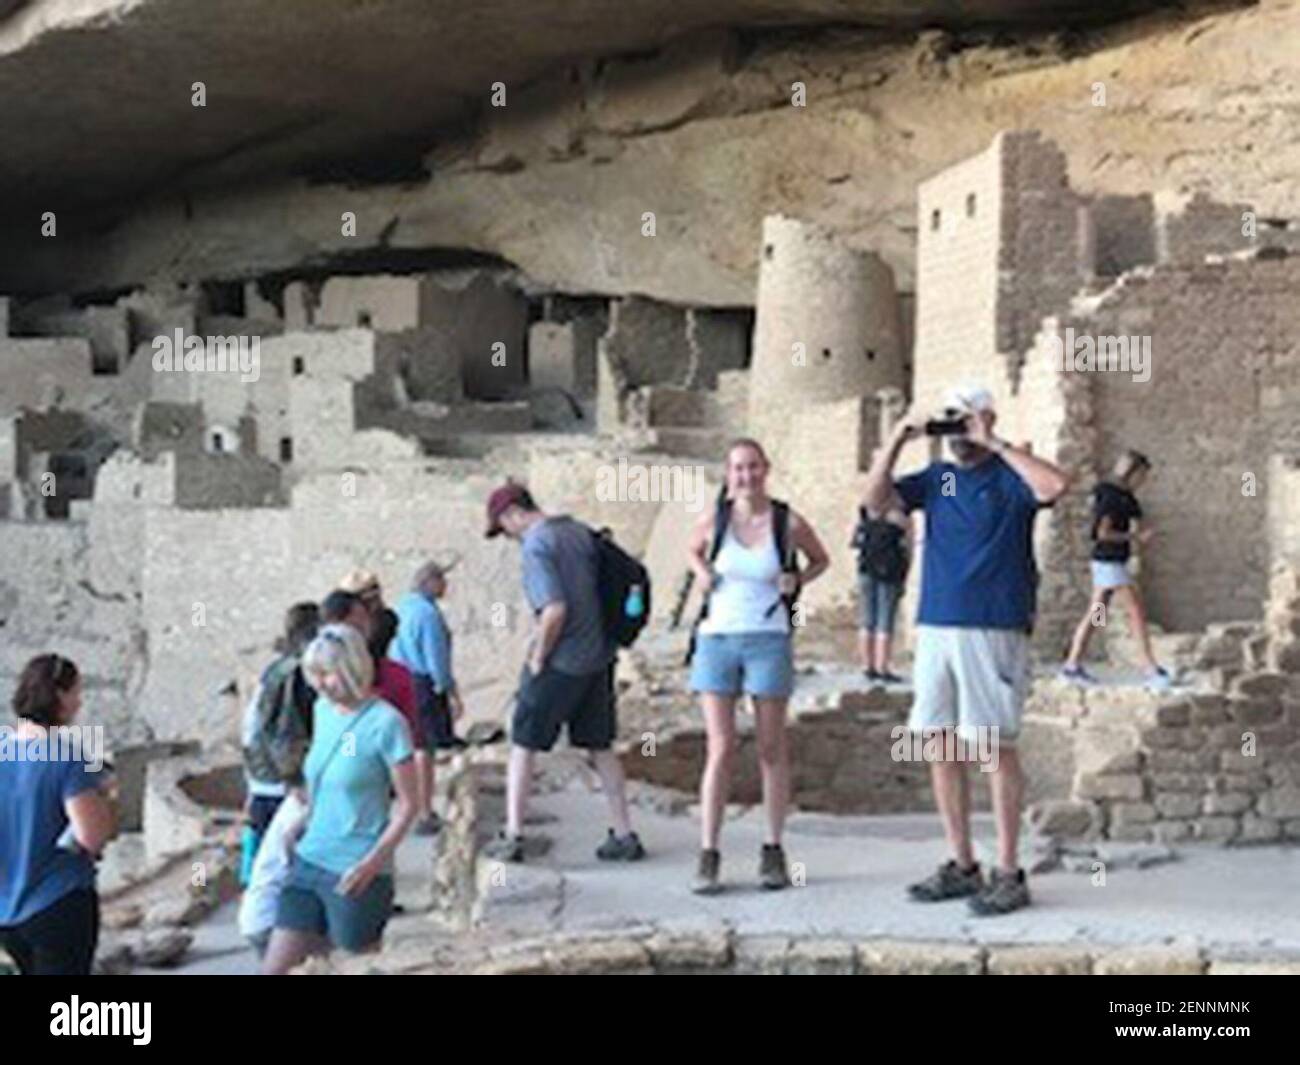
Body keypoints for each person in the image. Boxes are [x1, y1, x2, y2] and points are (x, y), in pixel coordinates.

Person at [863, 384, 1071, 917]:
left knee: (993, 746)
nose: (957, 431)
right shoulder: (941, 478)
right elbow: (874, 502)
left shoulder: (1009, 475)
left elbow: (1056, 486)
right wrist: (897, 440)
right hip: (937, 624)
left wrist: (995, 442)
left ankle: (1007, 869)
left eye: (965, 419)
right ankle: (962, 862)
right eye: (951, 421)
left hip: (994, 625)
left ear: (985, 417)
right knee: (939, 744)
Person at [684, 438, 830, 894]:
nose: (745, 476)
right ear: (729, 475)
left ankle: (772, 848)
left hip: (768, 637)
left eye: (752, 467)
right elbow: (692, 551)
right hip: (717, 638)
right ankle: (709, 852)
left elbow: (822, 560)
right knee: (721, 747)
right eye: (737, 469)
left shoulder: (786, 521)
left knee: (771, 747)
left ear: (765, 469)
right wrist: (701, 573)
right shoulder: (718, 517)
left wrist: (797, 579)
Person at [480, 481, 643, 864]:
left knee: (523, 743)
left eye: (504, 529)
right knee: (600, 746)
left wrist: (538, 656)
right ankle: (624, 832)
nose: (508, 538)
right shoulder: (579, 532)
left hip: (562, 660)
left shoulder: (538, 545)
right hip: (599, 656)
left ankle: (514, 833)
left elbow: (554, 609)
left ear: (512, 514)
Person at [262, 624, 418, 973]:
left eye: (327, 674)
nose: (319, 683)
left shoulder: (386, 724)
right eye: (313, 674)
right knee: (275, 968)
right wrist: (302, 822)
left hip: (355, 867)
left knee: (356, 965)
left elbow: (410, 804)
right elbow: (323, 778)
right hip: (308, 858)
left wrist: (374, 862)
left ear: (351, 668)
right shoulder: (323, 711)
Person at [0, 655, 116, 975]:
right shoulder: (67, 757)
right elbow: (91, 837)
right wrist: (104, 796)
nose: (79, 703)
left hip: (6, 909)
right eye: (76, 692)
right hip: (57, 901)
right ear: (60, 696)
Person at [1061, 450, 1170, 689]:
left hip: (1109, 562)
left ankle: (1072, 664)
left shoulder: (1121, 496)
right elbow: (1102, 534)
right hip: (1109, 561)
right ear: (1133, 472)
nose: (1143, 481)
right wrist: (1135, 537)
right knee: (1135, 612)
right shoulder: (1111, 497)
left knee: (1096, 613)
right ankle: (1149, 668)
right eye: (1142, 475)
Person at [241, 602, 319, 859]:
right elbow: (288, 735)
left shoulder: (274, 671)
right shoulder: (297, 676)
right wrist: (295, 780)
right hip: (283, 787)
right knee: (285, 870)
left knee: (271, 866)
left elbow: (253, 727)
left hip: (263, 780)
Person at [368, 607, 436, 833]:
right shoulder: (398, 674)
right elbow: (408, 719)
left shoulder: (357, 672)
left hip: (358, 745)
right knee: (391, 808)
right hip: (390, 749)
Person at [394, 561, 467, 763]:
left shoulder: (403, 606)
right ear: (430, 582)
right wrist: (448, 689)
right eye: (442, 579)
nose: (446, 585)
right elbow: (436, 656)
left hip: (401, 678)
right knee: (431, 748)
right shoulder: (427, 614)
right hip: (424, 684)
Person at [851, 498, 910, 683]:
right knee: (885, 621)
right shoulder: (900, 516)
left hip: (865, 570)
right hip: (889, 574)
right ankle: (882, 667)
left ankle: (867, 666)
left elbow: (854, 542)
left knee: (866, 619)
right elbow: (908, 547)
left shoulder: (865, 511)